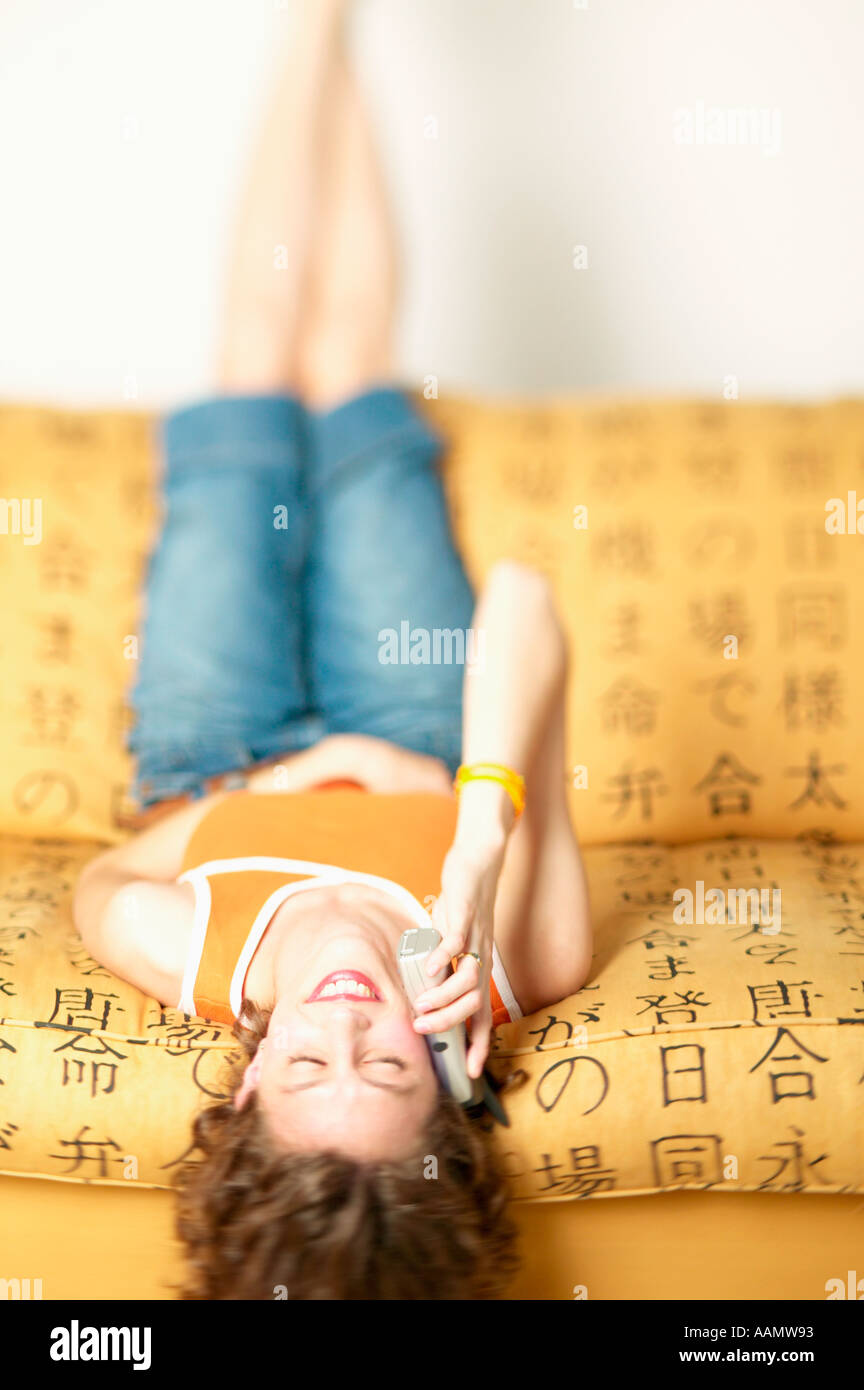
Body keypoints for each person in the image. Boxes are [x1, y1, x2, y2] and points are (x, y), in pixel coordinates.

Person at [72, 0, 591, 1300]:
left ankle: (309, 20)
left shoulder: (185, 950)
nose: (353, 1018)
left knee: (256, 363)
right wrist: (477, 838)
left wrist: (272, 793)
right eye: (391, 1064)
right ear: (459, 1077)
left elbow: (102, 887)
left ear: (244, 1074)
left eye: (309, 1063)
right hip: (421, 721)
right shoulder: (529, 953)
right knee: (354, 362)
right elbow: (527, 600)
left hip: (217, 740)